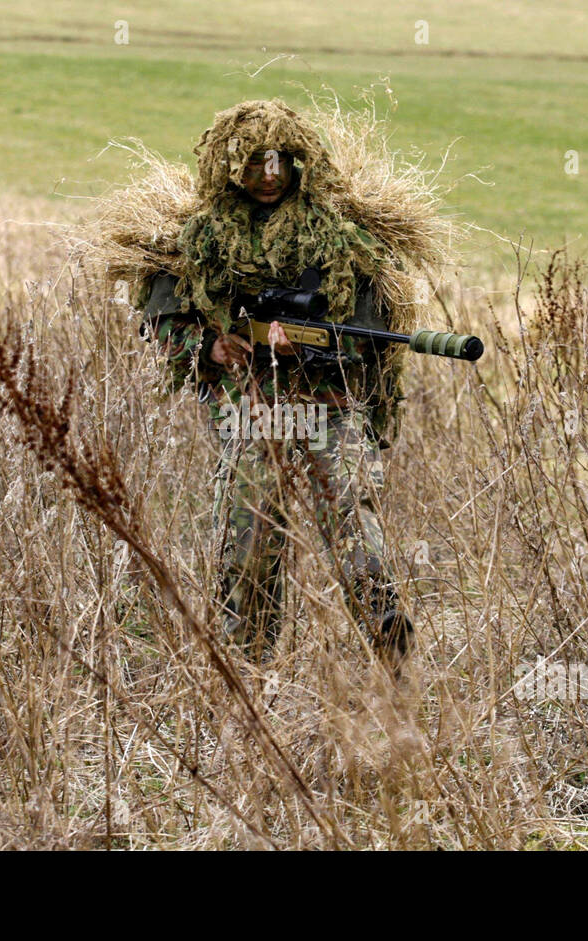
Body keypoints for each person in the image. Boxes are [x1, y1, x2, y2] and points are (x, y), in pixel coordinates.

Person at [139, 100, 416, 672]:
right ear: (228, 166)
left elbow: (372, 332)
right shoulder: (195, 241)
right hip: (249, 407)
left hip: (329, 406)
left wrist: (312, 347)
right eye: (254, 162)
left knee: (353, 518)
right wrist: (210, 346)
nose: (269, 175)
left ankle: (388, 641)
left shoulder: (343, 241)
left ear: (299, 164)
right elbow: (162, 321)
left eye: (280, 161)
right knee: (249, 539)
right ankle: (247, 669)